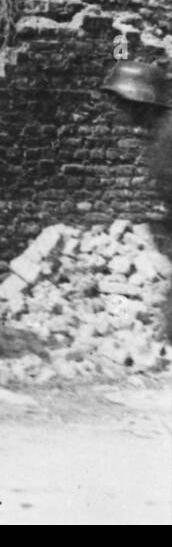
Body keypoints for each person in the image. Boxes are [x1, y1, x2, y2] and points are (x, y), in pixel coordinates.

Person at [100, 59, 172, 342]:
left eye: (124, 104)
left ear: (141, 101)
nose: (121, 112)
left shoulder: (168, 134)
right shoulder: (162, 131)